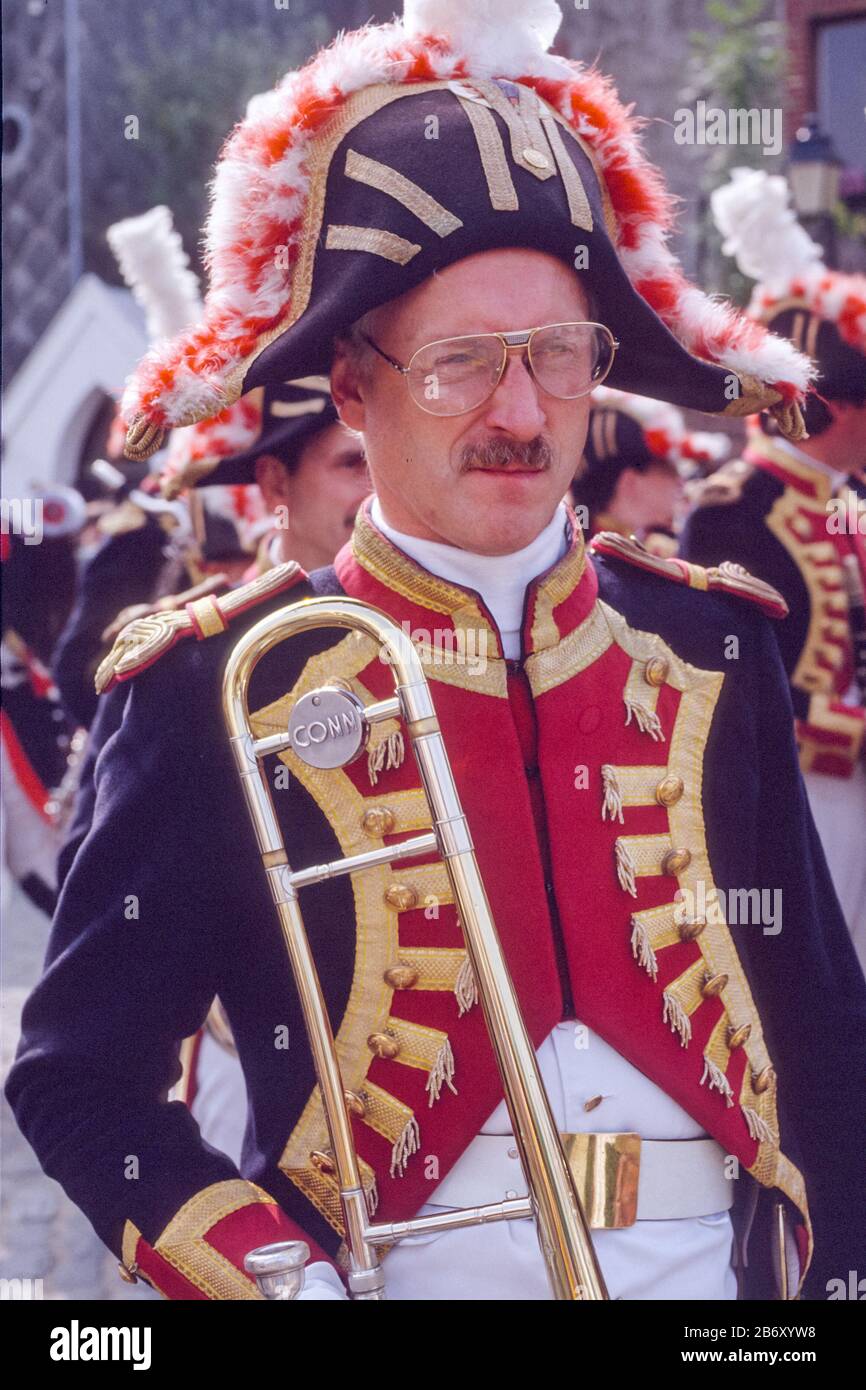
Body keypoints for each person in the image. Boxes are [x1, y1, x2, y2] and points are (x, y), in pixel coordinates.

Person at [8, 1, 865, 1303]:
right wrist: (277, 1283)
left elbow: (821, 1031)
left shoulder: (711, 643)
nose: (518, 413)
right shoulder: (210, 689)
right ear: (353, 386)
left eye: (558, 357)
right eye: (460, 362)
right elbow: (81, 1073)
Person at [680, 168, 866, 970]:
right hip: (798, 792)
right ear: (837, 409)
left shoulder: (848, 498)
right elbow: (725, 678)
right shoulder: (735, 507)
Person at [572, 386, 730, 553]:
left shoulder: (660, 548)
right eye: (669, 470)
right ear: (629, 481)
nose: (681, 481)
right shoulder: (578, 555)